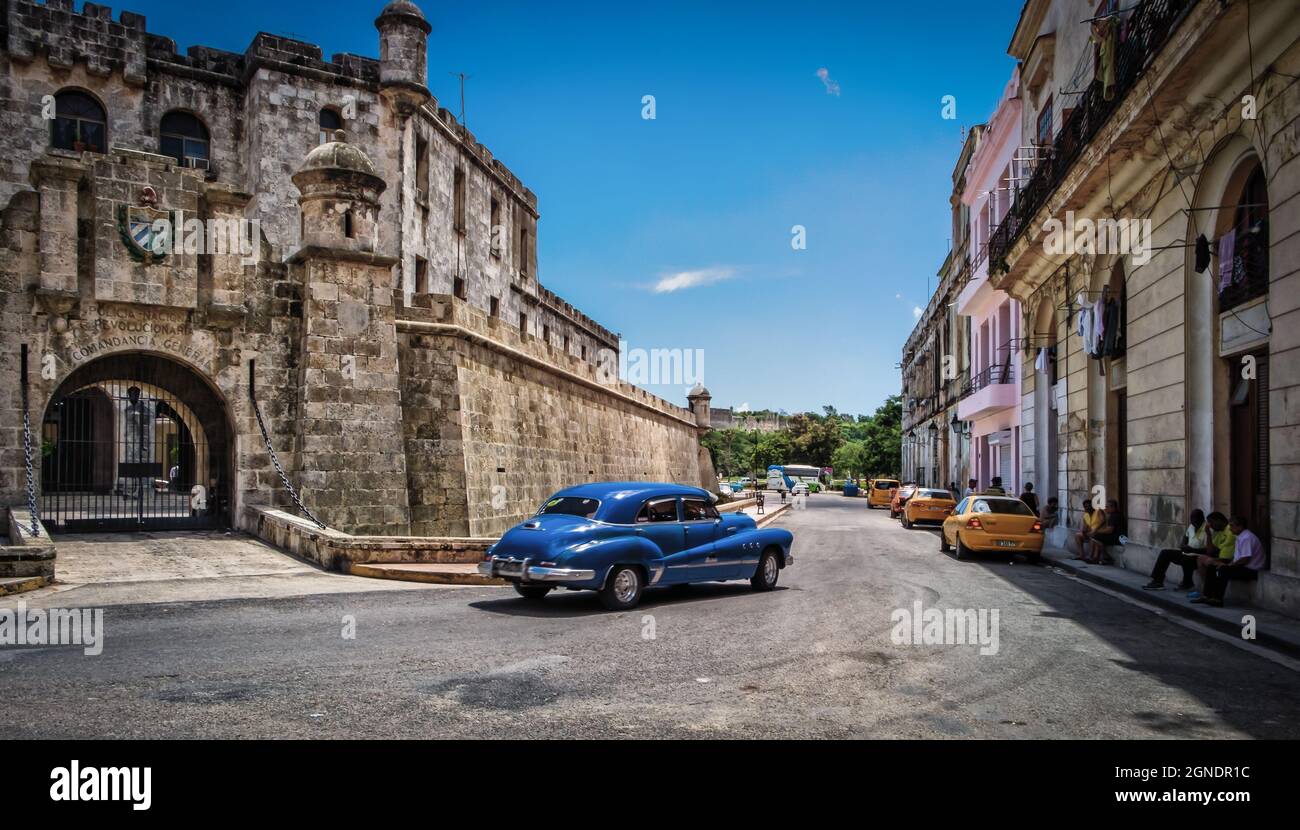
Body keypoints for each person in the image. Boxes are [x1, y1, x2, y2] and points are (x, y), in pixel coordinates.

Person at [1196, 515, 1266, 607]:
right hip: (1242, 567)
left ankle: (1217, 599)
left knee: (1223, 570)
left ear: (1240, 526)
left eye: (1232, 526)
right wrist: (1228, 563)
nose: (1230, 528)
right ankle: (1207, 595)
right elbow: (1238, 557)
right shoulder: (1240, 536)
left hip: (1250, 570)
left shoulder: (1247, 537)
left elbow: (1245, 559)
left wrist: (1228, 566)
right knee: (1212, 568)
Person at [1142, 509, 1207, 591]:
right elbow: (1184, 539)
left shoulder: (1207, 529)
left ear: (1202, 518)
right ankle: (1157, 581)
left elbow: (1208, 550)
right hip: (1188, 553)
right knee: (1165, 553)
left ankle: (1187, 583)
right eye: (1192, 518)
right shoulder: (1191, 526)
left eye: (1195, 519)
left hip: (1198, 556)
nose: (1193, 521)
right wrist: (1183, 546)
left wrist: (1193, 550)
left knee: (1187, 560)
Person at [1189, 512, 1234, 600]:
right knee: (1201, 559)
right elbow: (1210, 551)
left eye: (1211, 522)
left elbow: (1217, 551)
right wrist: (1208, 534)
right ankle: (1208, 591)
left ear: (1219, 521)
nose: (1210, 525)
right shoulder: (1217, 532)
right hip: (1220, 558)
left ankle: (1209, 591)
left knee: (1207, 561)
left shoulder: (1230, 530)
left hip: (1228, 559)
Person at [1085, 499, 1123, 564]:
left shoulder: (1114, 516)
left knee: (1095, 536)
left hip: (1119, 538)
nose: (1105, 508)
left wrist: (1096, 531)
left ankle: (1104, 557)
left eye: (1107, 507)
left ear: (1113, 507)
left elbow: (1109, 530)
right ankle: (1098, 557)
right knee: (1097, 538)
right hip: (1117, 536)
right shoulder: (1113, 515)